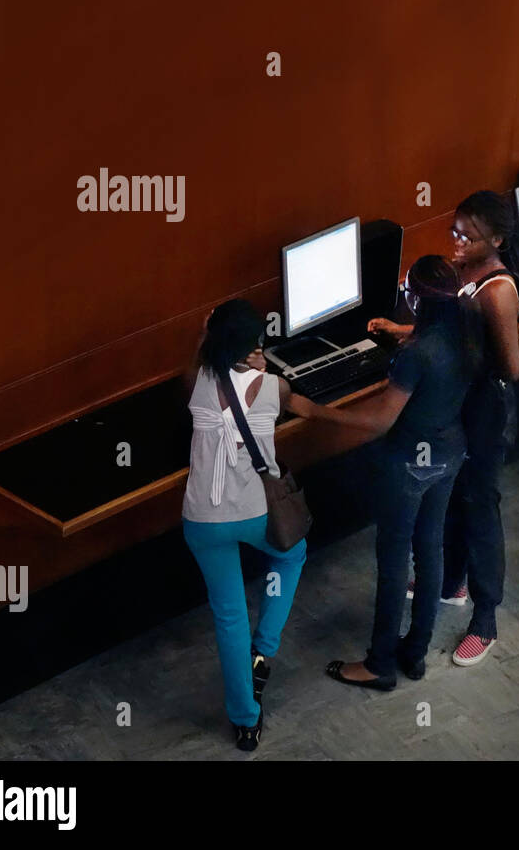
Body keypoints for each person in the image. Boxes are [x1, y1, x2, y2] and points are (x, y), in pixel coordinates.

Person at [368, 192, 519, 667]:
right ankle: (451, 581)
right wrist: (405, 333)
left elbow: (510, 367)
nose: (456, 242)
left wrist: (450, 364)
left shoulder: (497, 292)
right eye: (454, 231)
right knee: (454, 496)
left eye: (468, 236)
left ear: (495, 240)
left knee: (480, 506)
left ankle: (485, 619)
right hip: (460, 407)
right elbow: (454, 332)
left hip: (485, 413)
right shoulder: (463, 275)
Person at [324, 255, 481, 690]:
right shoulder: (466, 332)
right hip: (449, 455)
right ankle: (415, 652)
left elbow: (379, 421)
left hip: (408, 465)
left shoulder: (415, 356)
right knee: (429, 551)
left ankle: (378, 665)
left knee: (394, 563)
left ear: (416, 299)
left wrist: (317, 412)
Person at [181, 299, 330, 751]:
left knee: (228, 617)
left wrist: (207, 337)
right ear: (255, 346)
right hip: (254, 513)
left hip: (202, 520)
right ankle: (263, 650)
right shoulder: (273, 387)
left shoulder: (197, 380)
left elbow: (198, 366)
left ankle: (246, 722)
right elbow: (296, 406)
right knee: (292, 554)